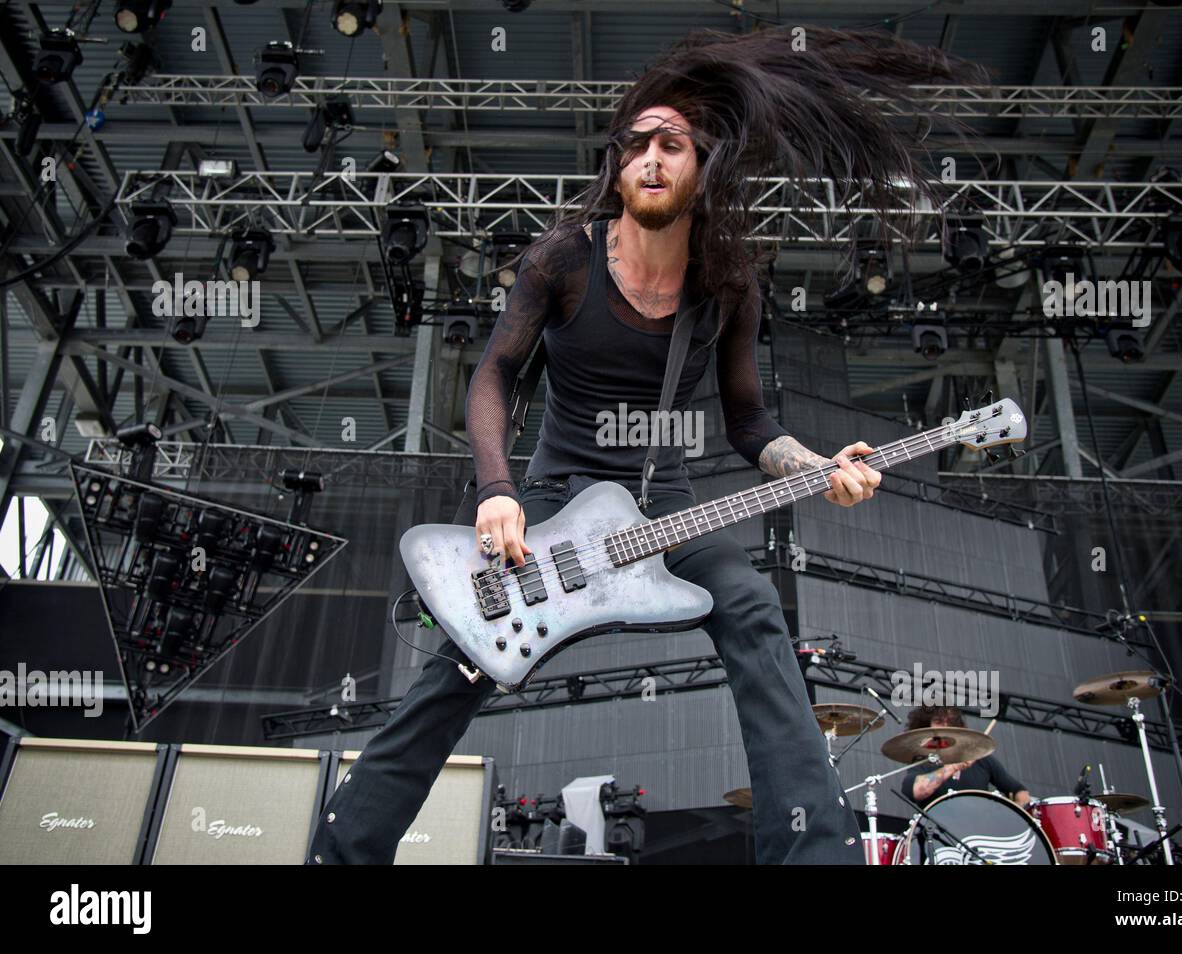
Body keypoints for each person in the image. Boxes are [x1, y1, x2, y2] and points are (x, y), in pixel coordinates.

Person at [308, 27, 980, 865]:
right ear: (617, 166)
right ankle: (342, 853)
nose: (652, 158)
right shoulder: (563, 260)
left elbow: (748, 424)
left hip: (663, 507)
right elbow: (494, 377)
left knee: (753, 609)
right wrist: (496, 491)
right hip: (554, 496)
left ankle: (814, 854)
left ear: (702, 166)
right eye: (636, 145)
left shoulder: (728, 282)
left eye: (673, 144)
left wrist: (820, 471)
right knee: (466, 658)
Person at [902, 706, 1032, 807]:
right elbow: (917, 791)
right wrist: (953, 767)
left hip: (980, 834)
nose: (946, 726)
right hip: (937, 835)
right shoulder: (923, 760)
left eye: (951, 722)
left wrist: (1015, 814)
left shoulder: (981, 759)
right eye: (939, 721)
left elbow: (1020, 792)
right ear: (925, 727)